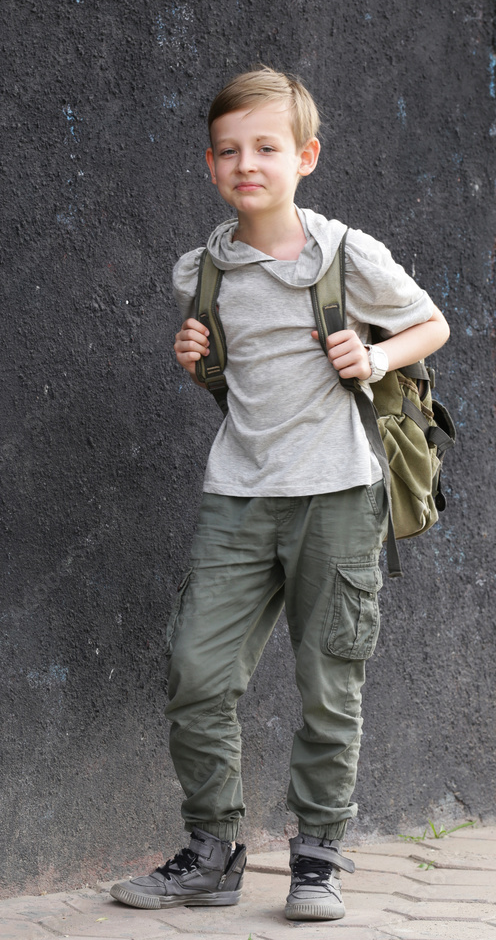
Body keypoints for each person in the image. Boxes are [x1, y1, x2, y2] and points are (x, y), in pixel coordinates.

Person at [110, 67, 450, 921]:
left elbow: (431, 324)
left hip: (337, 494)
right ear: (210, 167)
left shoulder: (345, 253)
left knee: (328, 684)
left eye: (266, 148)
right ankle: (211, 851)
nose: (246, 163)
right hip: (237, 493)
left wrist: (374, 359)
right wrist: (196, 360)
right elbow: (234, 383)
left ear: (306, 157)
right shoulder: (200, 273)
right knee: (196, 670)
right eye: (229, 151)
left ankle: (317, 859)